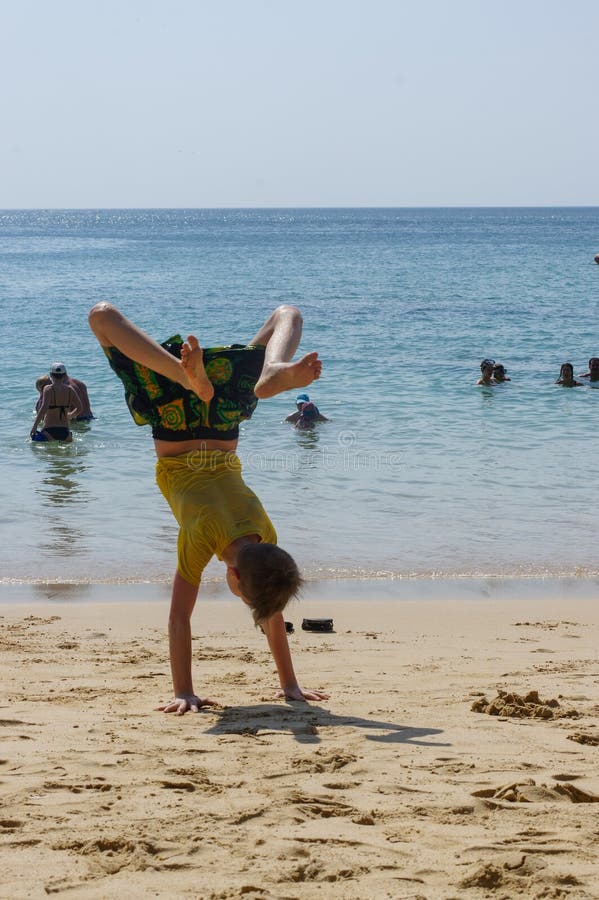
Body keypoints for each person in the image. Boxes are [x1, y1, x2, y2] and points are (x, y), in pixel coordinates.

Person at [88, 301, 328, 713]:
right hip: (173, 425)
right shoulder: (201, 538)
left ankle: (268, 369)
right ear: (232, 577)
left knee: (286, 314)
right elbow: (179, 618)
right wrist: (183, 691)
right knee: (101, 318)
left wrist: (291, 684)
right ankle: (189, 373)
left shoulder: (265, 535)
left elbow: (270, 610)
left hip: (224, 418)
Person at [30, 363, 83, 442]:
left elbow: (43, 408)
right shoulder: (70, 390)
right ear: (64, 375)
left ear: (51, 375)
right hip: (65, 432)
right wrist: (70, 415)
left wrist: (34, 427)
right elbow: (80, 408)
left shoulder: (48, 389)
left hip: (49, 431)